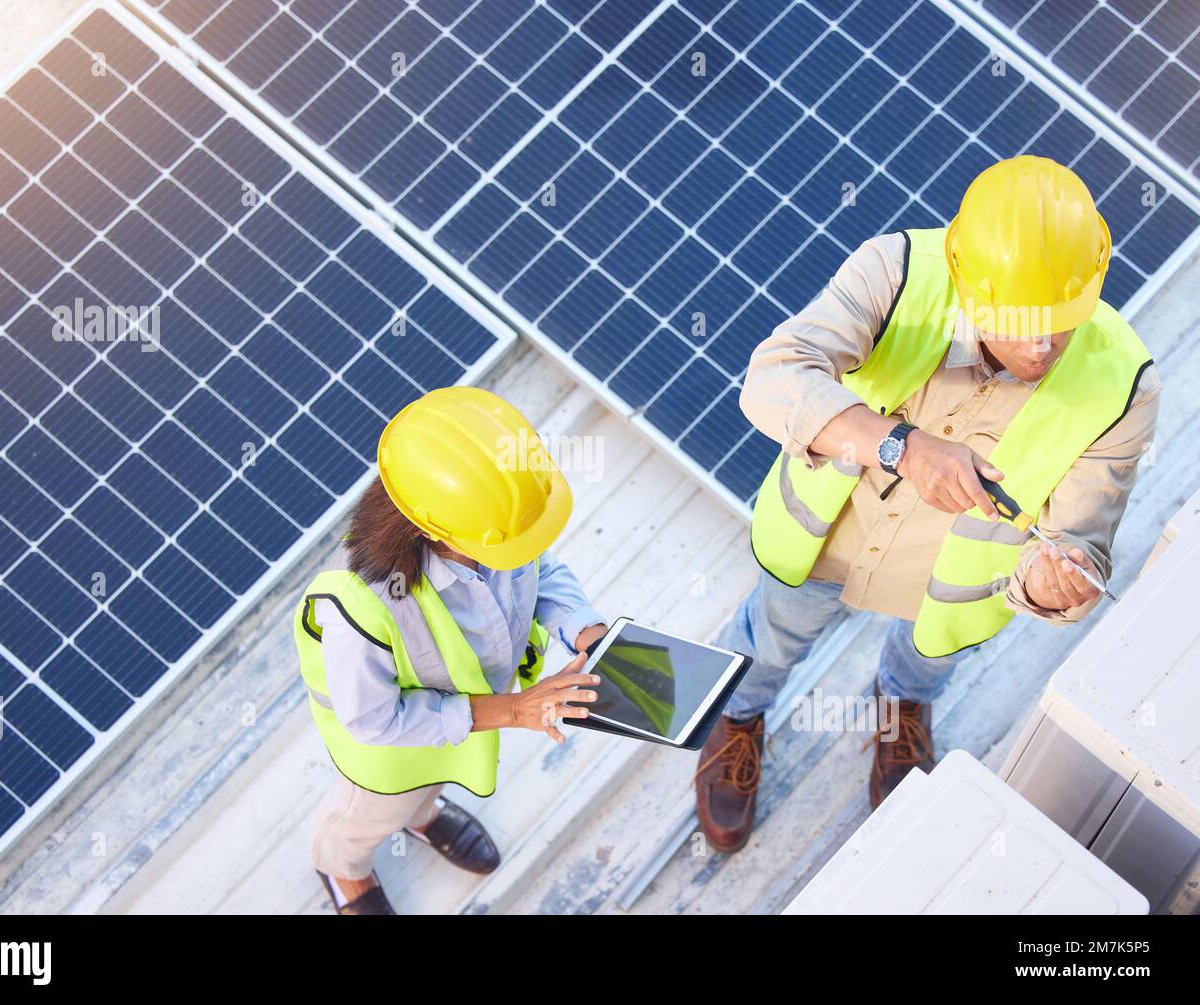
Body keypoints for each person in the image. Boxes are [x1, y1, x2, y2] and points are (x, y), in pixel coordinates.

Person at [696, 155, 1161, 853]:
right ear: (971, 288)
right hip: (822, 542)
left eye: (1060, 325)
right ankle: (739, 713)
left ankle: (901, 707)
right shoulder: (897, 272)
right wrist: (900, 447)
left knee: (926, 662)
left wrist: (1052, 581)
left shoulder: (1126, 386)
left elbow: (1080, 543)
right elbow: (772, 378)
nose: (1040, 347)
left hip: (950, 590)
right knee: (772, 636)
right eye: (1022, 322)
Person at [294, 387, 608, 914]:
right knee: (363, 818)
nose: (517, 551)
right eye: (506, 544)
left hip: (460, 722)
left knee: (425, 787)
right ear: (429, 528)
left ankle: (421, 815)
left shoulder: (492, 521)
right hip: (387, 755)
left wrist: (582, 629)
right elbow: (373, 721)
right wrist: (513, 710)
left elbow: (539, 568)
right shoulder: (362, 605)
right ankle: (343, 870)